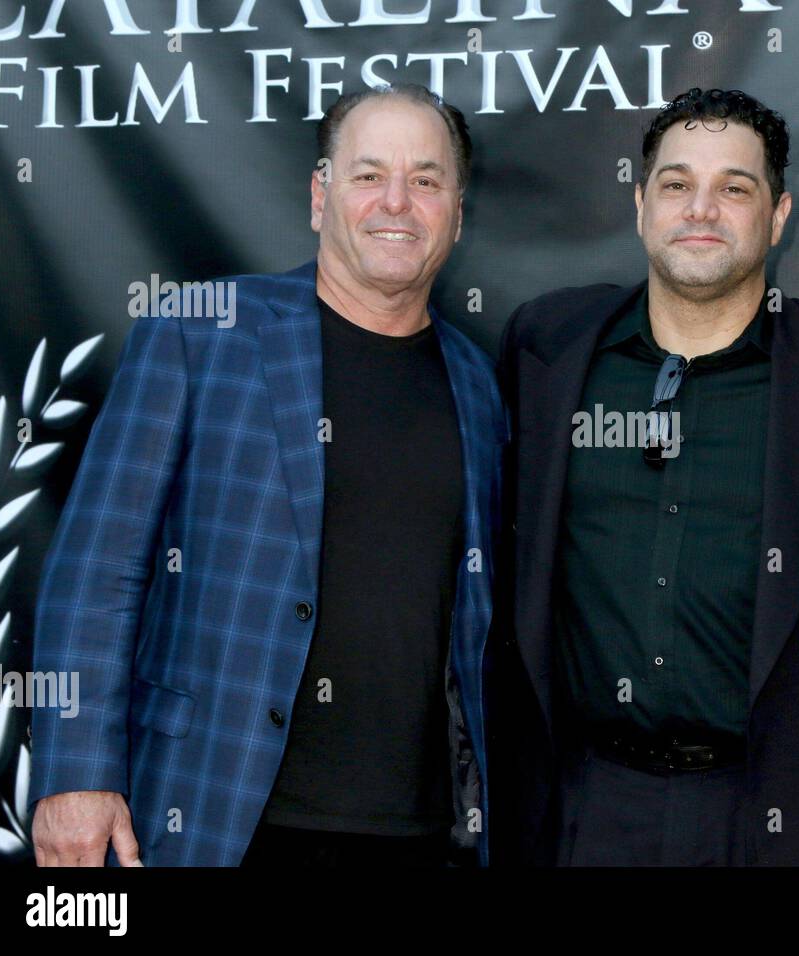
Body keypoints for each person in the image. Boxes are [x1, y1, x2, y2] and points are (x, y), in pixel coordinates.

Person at [28, 83, 505, 867]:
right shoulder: (200, 331)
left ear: (456, 212)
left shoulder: (479, 386)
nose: (396, 201)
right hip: (209, 815)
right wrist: (76, 774)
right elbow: (97, 568)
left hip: (417, 836)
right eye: (368, 175)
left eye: (426, 180)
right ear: (320, 197)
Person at [490, 88, 799, 866]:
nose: (701, 209)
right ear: (640, 206)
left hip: (770, 815)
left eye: (735, 188)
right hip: (585, 812)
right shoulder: (545, 348)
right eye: (677, 183)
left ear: (778, 216)